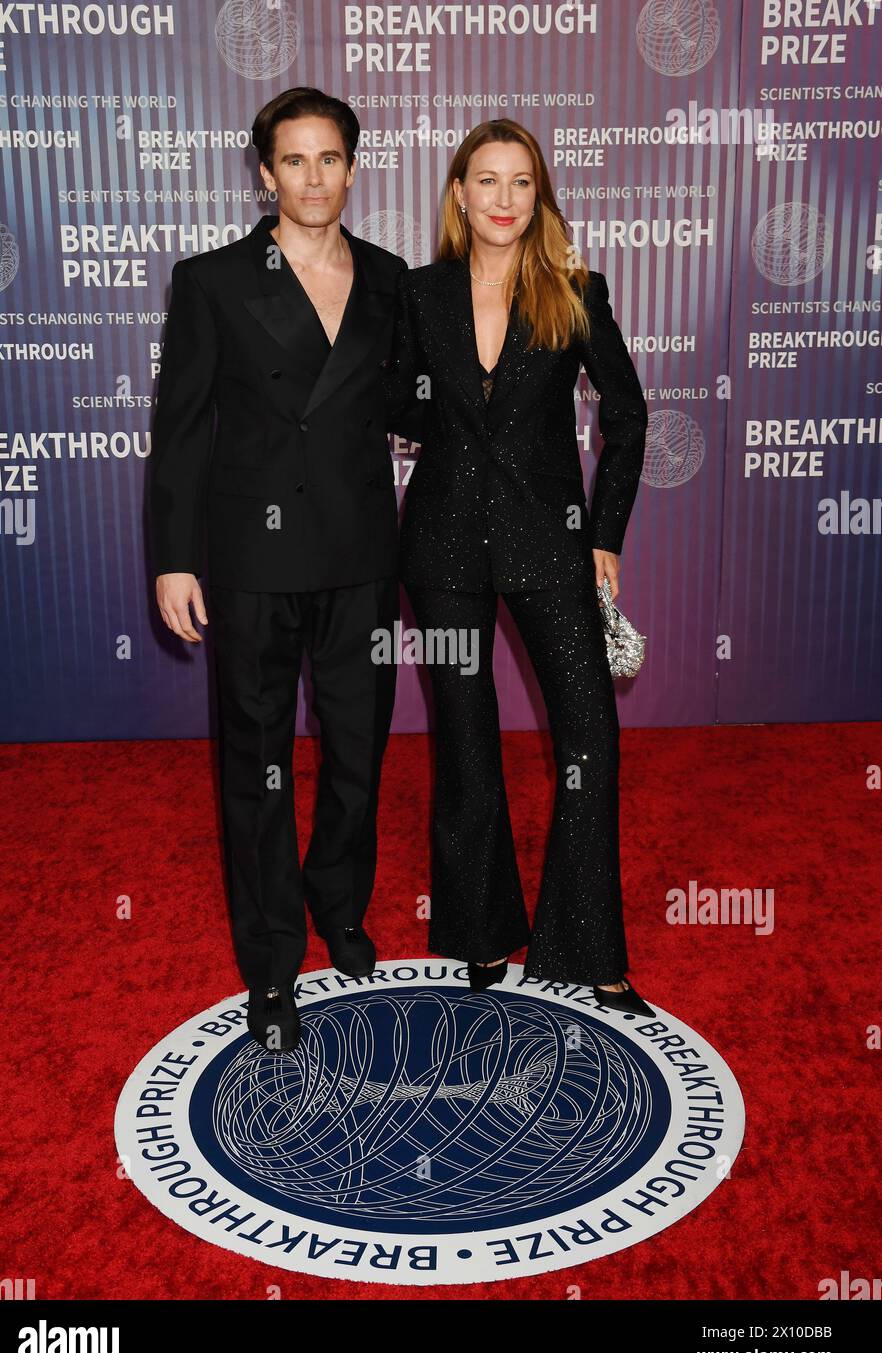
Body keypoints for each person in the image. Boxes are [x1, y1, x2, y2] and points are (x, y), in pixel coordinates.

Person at [149, 88, 414, 1052]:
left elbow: (420, 407)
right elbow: (178, 433)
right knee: (258, 765)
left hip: (359, 557)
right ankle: (270, 961)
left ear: (353, 166)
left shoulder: (392, 282)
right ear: (265, 173)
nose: (312, 178)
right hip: (253, 562)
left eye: (329, 158)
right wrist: (176, 559)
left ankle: (339, 906)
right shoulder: (213, 281)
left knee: (357, 749)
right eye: (293, 161)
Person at [382, 118, 654, 1016]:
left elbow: (628, 414)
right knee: (465, 738)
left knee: (589, 737)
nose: (502, 199)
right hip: (444, 542)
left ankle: (587, 949)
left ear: (541, 195)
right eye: (485, 181)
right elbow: (403, 409)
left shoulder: (576, 291)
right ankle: (480, 932)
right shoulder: (418, 297)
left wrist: (604, 533)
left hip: (551, 538)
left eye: (520, 182)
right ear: (458, 194)